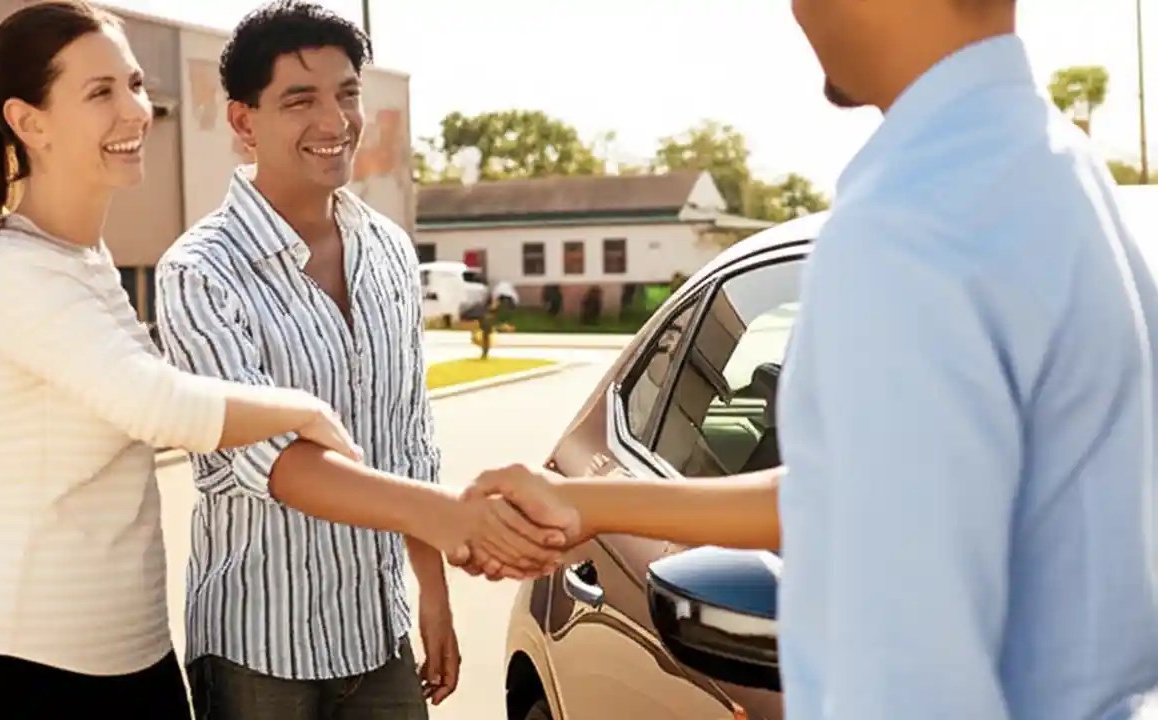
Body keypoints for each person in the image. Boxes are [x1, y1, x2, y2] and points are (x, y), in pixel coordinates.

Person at [463, 0, 1158, 717]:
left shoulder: (908, 225)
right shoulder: (1060, 175)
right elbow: (863, 494)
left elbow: (913, 668)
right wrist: (589, 502)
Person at [0, 3, 363, 718]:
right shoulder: (10, 267)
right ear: (29, 122)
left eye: (133, 84)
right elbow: (159, 406)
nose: (136, 109)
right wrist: (309, 409)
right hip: (26, 671)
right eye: (100, 92)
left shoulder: (83, 261)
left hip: (134, 660)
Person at [151, 3, 569, 718]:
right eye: (300, 99)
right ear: (244, 121)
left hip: (377, 638)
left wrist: (431, 594)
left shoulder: (388, 251)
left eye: (347, 93)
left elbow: (407, 437)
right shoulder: (198, 272)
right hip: (258, 648)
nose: (335, 120)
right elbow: (269, 461)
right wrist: (449, 518)